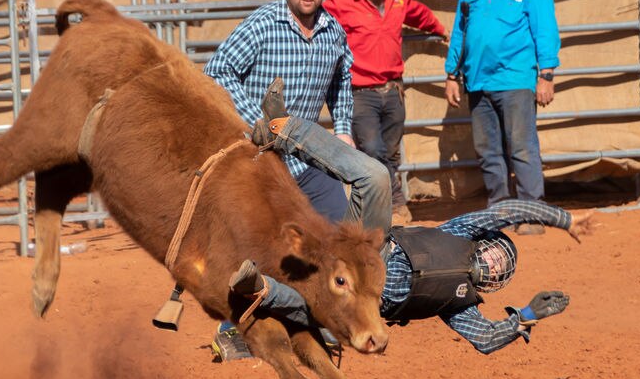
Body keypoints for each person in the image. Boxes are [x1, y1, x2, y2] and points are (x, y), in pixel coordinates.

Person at [226, 85, 591, 356]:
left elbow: (486, 338)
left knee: (308, 309)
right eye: (499, 255)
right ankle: (283, 129)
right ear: (487, 242)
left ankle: (254, 297)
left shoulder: (461, 304)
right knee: (376, 177)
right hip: (375, 245)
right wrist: (564, 219)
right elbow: (510, 212)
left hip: (365, 303)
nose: (495, 265)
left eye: (500, 271)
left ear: (494, 283)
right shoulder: (462, 232)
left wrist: (528, 314)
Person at [205, 0, 355, 223]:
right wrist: (261, 122)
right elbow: (217, 71)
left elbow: (342, 77)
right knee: (261, 240)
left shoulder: (333, 31)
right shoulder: (262, 24)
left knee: (342, 232)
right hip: (257, 158)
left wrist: (343, 129)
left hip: (307, 158)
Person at [444, 0, 560, 235]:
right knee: (488, 151)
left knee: (522, 147)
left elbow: (545, 32)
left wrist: (546, 74)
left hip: (515, 79)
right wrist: (452, 74)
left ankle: (532, 212)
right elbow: (460, 33)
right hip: (478, 81)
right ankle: (500, 211)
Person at [323, 0, 447, 226]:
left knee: (389, 153)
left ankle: (378, 207)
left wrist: (439, 29)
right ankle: (396, 204)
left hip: (393, 90)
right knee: (373, 149)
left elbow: (420, 15)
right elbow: (320, 18)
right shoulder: (342, 3)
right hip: (360, 92)